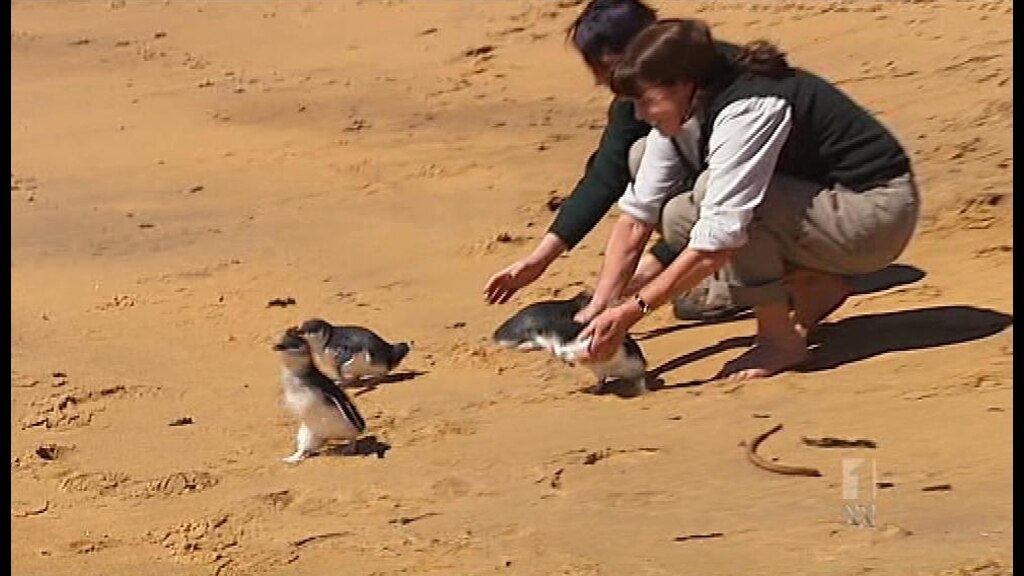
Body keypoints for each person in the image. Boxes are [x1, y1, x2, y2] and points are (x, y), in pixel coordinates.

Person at [574, 18, 920, 380]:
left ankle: (779, 339)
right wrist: (601, 305)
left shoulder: (748, 106)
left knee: (722, 201)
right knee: (679, 214)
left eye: (645, 101)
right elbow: (636, 219)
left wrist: (633, 311)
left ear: (682, 84)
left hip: (877, 216)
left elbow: (718, 241)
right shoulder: (690, 99)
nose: (639, 114)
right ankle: (812, 286)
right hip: (823, 207)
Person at [483, 0, 746, 322]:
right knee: (642, 156)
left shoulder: (729, 85)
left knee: (700, 192)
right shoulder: (648, 90)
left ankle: (749, 281)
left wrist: (640, 291)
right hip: (736, 210)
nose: (604, 84)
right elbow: (608, 174)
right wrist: (540, 259)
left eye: (608, 71)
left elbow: (727, 203)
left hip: (786, 206)